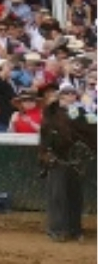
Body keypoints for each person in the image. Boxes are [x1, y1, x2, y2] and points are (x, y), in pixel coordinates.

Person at [40, 82, 89, 243]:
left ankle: (75, 229)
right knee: (58, 195)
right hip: (58, 157)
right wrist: (47, 154)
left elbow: (90, 131)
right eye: (66, 93)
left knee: (75, 196)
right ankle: (56, 228)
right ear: (60, 95)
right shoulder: (51, 113)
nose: (69, 96)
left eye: (72, 93)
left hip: (76, 159)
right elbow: (45, 135)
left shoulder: (81, 112)